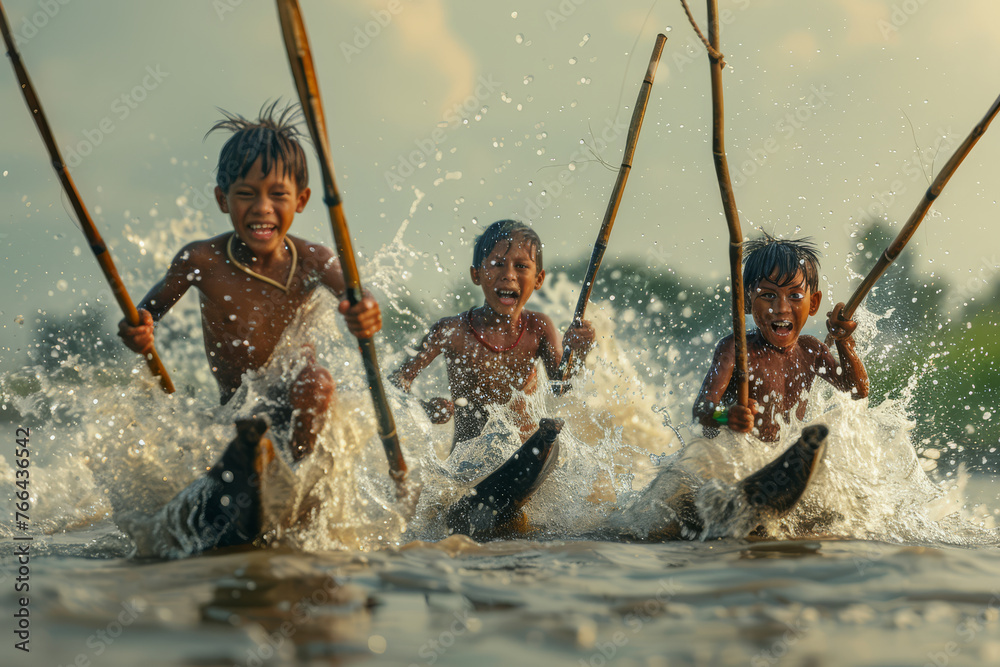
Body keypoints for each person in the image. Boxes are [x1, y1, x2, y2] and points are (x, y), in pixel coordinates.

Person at [118, 103, 381, 461]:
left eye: (278, 194)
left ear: (301, 200)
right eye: (245, 194)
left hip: (301, 405)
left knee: (317, 382)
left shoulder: (313, 261)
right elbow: (142, 316)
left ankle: (298, 474)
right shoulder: (201, 261)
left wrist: (365, 312)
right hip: (237, 413)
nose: (262, 207)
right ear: (222, 200)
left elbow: (360, 297)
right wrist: (138, 332)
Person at [390, 219, 595, 447]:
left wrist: (578, 351)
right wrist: (423, 409)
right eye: (497, 264)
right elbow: (395, 384)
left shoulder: (538, 327)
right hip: (468, 458)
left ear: (538, 279)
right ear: (476, 274)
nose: (509, 275)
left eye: (521, 266)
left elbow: (561, 386)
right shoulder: (452, 331)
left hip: (524, 451)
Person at [693, 233, 869, 442]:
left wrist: (843, 341)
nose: (781, 308)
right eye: (768, 295)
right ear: (746, 301)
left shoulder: (811, 351)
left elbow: (857, 390)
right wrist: (727, 416)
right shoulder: (736, 349)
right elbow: (701, 410)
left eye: (795, 296)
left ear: (813, 303)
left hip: (781, 452)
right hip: (734, 453)